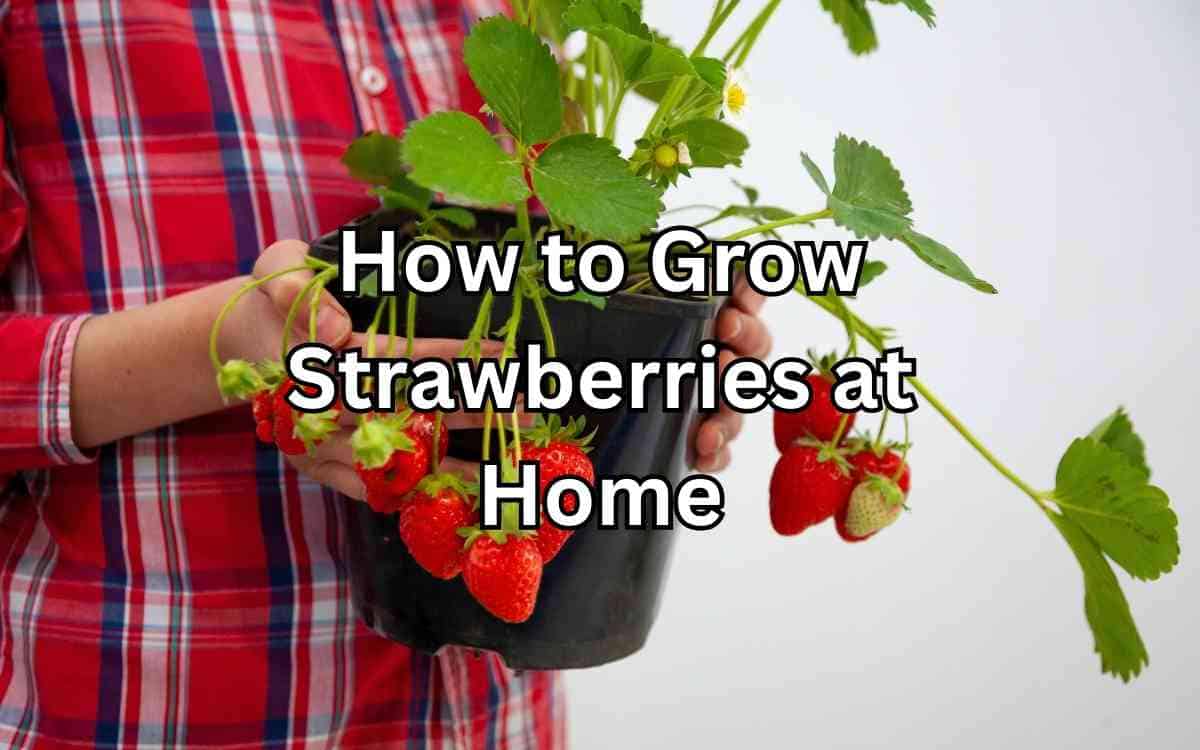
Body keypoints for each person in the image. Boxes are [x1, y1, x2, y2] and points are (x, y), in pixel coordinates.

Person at [0, 0, 771, 746]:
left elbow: (557, 253)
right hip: (168, 702)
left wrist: (668, 376)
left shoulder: (520, 12)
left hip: (499, 720)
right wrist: (218, 347)